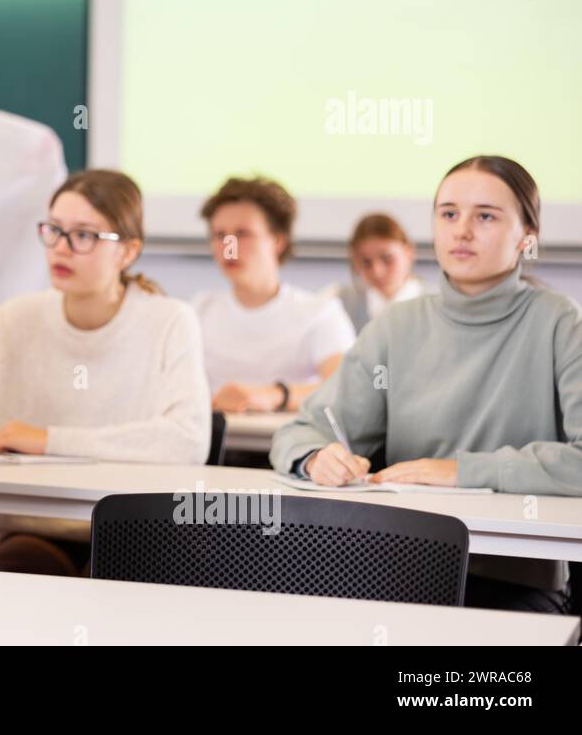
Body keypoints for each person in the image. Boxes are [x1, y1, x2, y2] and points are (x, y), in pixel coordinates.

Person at [271, 155, 581, 613]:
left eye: (486, 216)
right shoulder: (397, 326)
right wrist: (317, 458)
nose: (463, 231)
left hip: (514, 578)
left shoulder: (560, 322)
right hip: (399, 568)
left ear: (526, 239)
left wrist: (463, 471)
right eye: (449, 214)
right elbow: (299, 432)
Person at [0, 169, 211, 575]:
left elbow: (186, 440)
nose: (60, 249)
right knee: (11, 579)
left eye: (84, 236)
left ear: (128, 251)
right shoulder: (16, 319)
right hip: (29, 531)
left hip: (136, 534)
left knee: (116, 594)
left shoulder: (170, 321)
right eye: (54, 230)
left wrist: (47, 441)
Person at [191, 176, 355, 414]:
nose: (229, 247)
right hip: (213, 445)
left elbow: (345, 390)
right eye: (219, 235)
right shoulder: (199, 310)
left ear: (278, 241)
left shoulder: (320, 312)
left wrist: (276, 395)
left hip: (293, 447)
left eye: (242, 234)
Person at [332, 212, 427, 332]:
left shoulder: (439, 305)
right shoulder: (340, 302)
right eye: (366, 262)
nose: (377, 272)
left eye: (387, 259)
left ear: (409, 252)